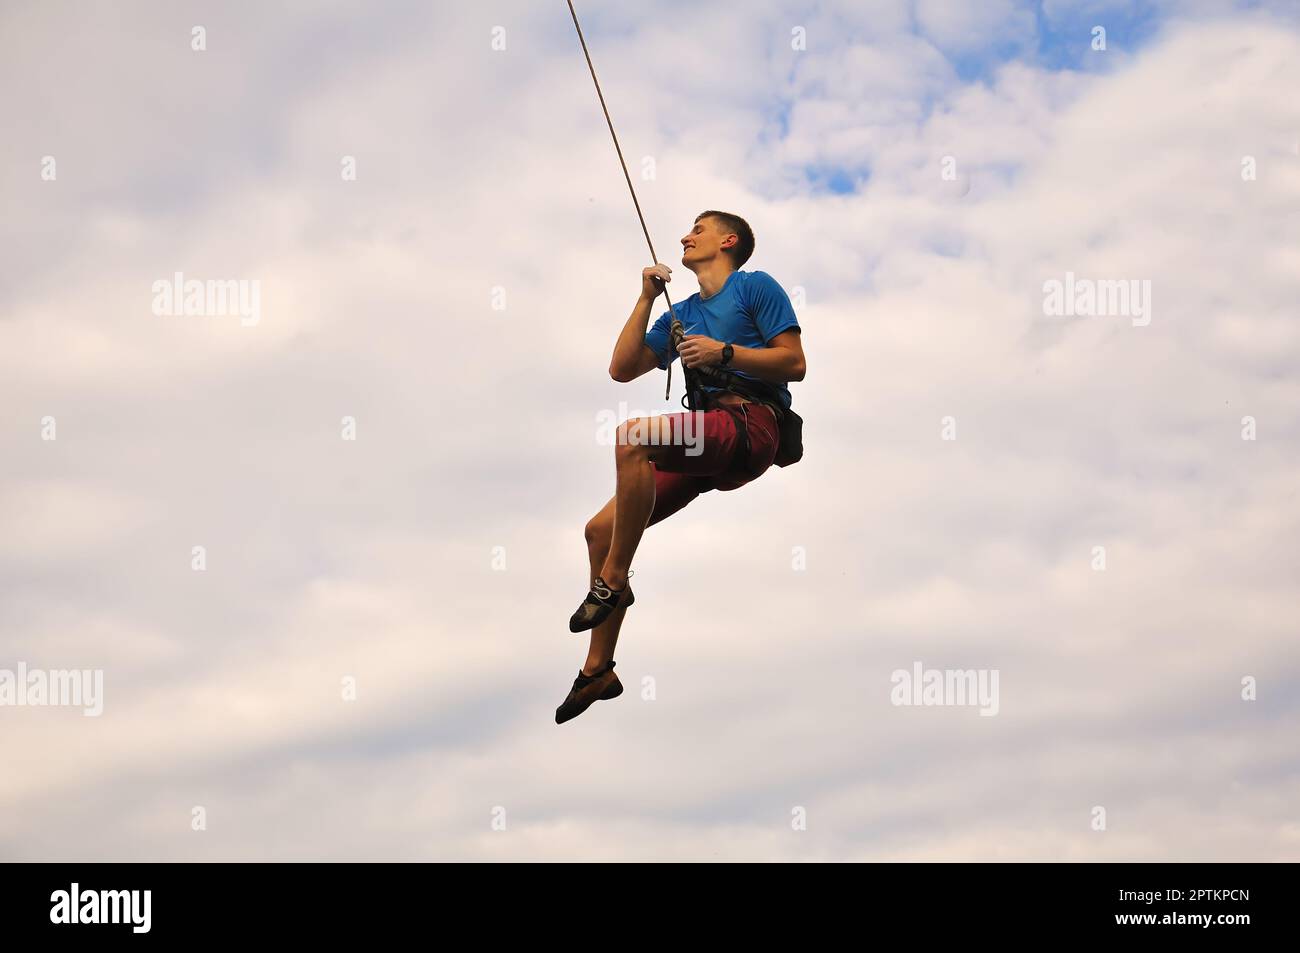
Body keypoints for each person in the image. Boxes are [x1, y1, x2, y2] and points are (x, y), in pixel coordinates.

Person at [555, 210, 806, 724]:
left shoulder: (754, 287)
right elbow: (621, 370)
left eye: (698, 230)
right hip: (707, 446)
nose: (685, 237)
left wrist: (726, 351)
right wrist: (646, 297)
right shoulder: (680, 314)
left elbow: (794, 363)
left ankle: (613, 582)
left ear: (728, 241)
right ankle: (598, 670)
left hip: (749, 427)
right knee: (599, 531)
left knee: (633, 438)